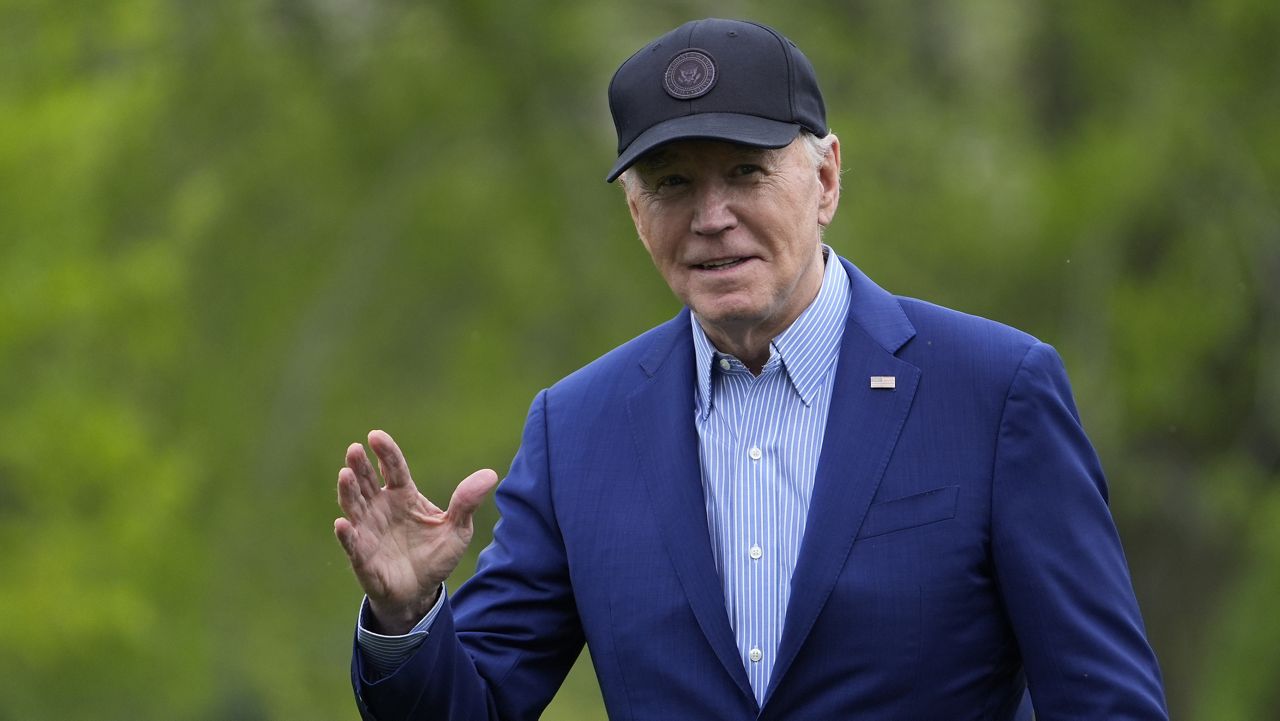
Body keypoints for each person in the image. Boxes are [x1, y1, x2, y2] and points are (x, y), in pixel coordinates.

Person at [333, 18, 1169, 720]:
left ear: (826, 178)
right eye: (671, 183)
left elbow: (1104, 701)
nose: (712, 217)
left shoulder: (994, 391)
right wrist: (406, 615)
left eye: (745, 171)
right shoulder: (578, 429)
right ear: (635, 213)